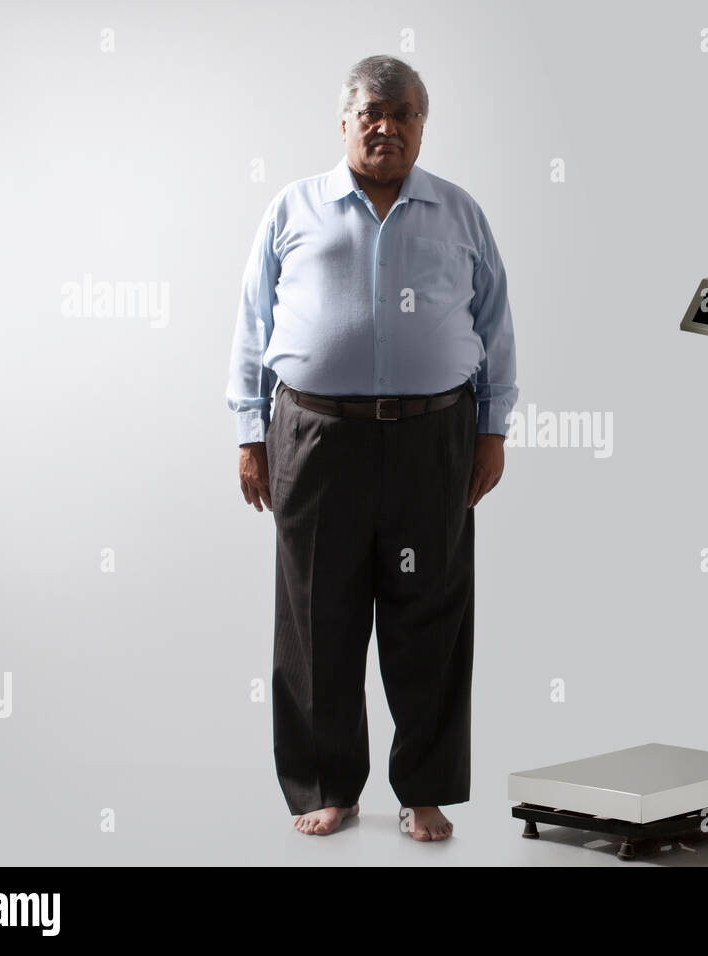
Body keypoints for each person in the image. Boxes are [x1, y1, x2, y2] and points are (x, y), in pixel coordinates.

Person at [225, 54, 518, 842]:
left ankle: (424, 789)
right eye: (372, 114)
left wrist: (493, 429)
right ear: (345, 122)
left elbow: (495, 325)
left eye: (404, 114)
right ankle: (328, 785)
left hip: (433, 438)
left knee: (431, 614)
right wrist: (250, 434)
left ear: (423, 125)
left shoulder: (459, 212)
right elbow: (253, 326)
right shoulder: (294, 208)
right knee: (317, 614)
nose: (387, 127)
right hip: (316, 438)